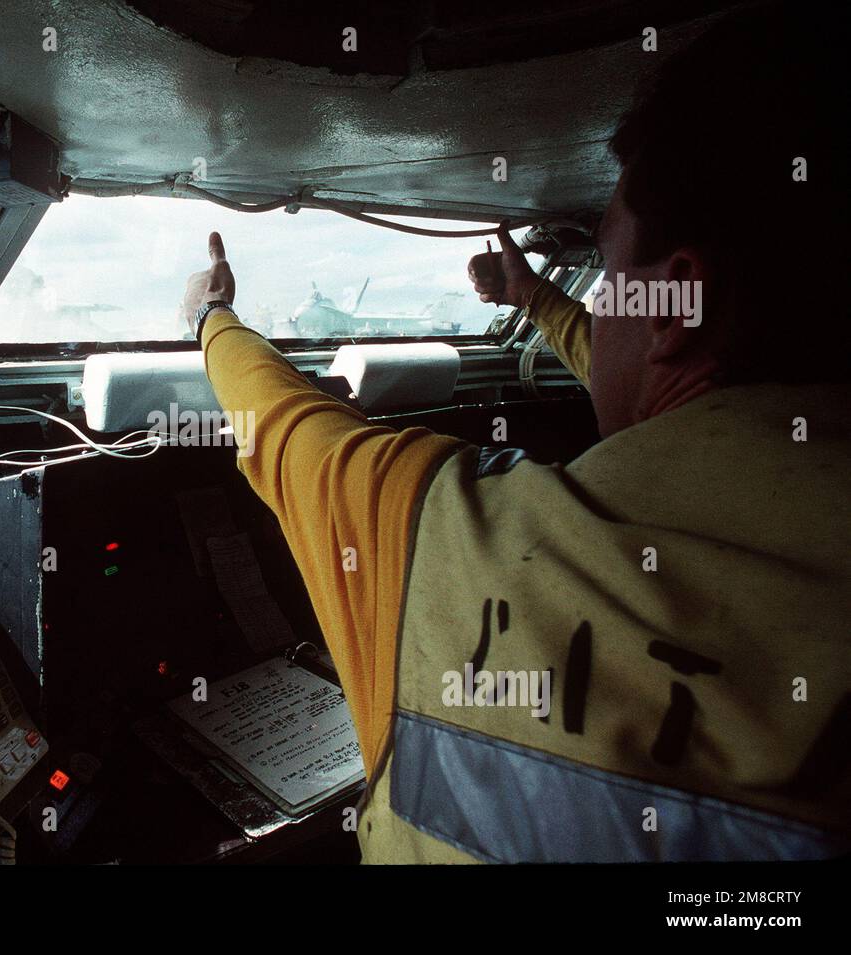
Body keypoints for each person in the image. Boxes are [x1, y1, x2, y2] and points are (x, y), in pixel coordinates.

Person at [180, 5, 848, 863]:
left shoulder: (446, 540)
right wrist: (535, 299)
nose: (602, 309)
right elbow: (654, 372)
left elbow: (289, 429)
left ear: (677, 305)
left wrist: (210, 317)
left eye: (607, 275)